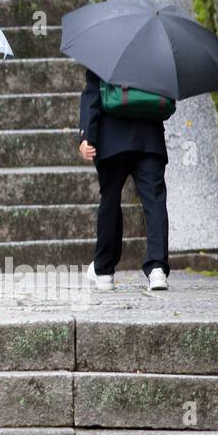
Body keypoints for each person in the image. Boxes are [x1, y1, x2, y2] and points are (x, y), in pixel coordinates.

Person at [78, 69, 170, 292]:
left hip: (112, 139)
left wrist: (86, 135)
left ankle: (104, 272)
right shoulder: (156, 50)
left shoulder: (105, 51)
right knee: (154, 201)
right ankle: (157, 269)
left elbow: (92, 94)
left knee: (110, 200)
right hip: (149, 138)